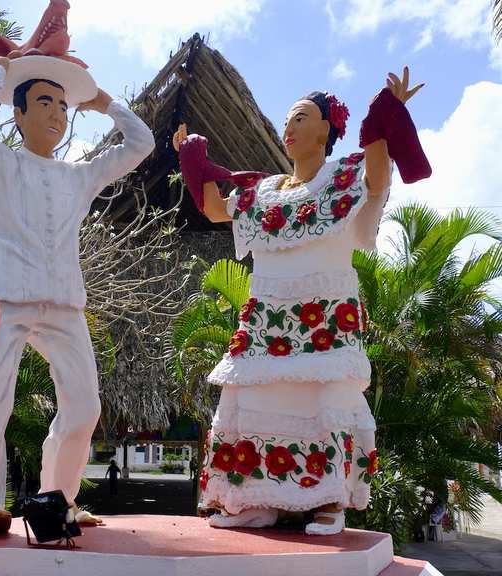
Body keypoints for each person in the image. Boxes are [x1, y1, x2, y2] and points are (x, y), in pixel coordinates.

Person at [174, 67, 429, 536]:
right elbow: (213, 209)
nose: (289, 127)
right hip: (267, 320)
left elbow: (377, 177)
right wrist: (192, 157)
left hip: (324, 316)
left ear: (328, 129)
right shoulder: (262, 192)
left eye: (301, 117)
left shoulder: (345, 178)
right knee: (254, 401)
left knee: (324, 398)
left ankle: (330, 500)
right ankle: (257, 498)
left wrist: (384, 113)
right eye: (288, 118)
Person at [0, 22, 155, 535]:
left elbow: (141, 144)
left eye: (64, 106)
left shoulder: (80, 175)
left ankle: (59, 500)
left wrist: (107, 103)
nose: (57, 113)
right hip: (3, 297)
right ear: (18, 113)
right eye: (45, 102)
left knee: (85, 407)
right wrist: (1, 70)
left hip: (65, 303)